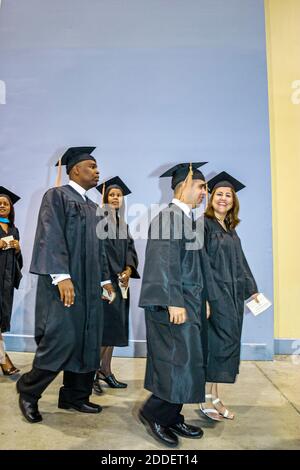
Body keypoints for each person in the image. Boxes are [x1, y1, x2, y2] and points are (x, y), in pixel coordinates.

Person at [16, 147, 115, 423]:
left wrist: (105, 280)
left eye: (97, 167)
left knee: (88, 339)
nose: (97, 171)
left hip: (90, 286)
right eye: (92, 166)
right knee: (61, 340)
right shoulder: (57, 196)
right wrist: (61, 276)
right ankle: (28, 391)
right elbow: (50, 235)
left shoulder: (94, 207)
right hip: (65, 284)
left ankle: (75, 396)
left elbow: (100, 248)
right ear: (74, 170)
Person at [138, 162, 217, 448]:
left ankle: (172, 415)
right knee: (173, 363)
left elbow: (193, 267)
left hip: (189, 304)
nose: (204, 192)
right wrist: (173, 301)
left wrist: (203, 299)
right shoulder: (168, 217)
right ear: (183, 185)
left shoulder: (187, 220)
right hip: (172, 306)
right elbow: (163, 262)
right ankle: (154, 414)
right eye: (201, 186)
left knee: (187, 363)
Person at [200, 171, 259, 420]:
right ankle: (206, 400)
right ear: (211, 198)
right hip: (216, 296)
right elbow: (200, 265)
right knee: (215, 346)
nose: (223, 199)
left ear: (234, 202)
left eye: (228, 195)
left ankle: (214, 397)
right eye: (219, 194)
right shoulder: (203, 225)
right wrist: (206, 298)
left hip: (232, 296)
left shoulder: (229, 228)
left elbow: (240, 263)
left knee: (225, 346)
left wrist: (252, 290)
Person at [93, 177, 140, 394]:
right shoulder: (99, 223)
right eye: (111, 194)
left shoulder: (123, 225)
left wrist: (129, 270)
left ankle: (106, 370)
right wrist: (111, 276)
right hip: (105, 283)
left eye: (118, 195)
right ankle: (92, 372)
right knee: (104, 330)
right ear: (104, 198)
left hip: (121, 283)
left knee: (114, 329)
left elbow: (130, 251)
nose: (115, 198)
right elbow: (99, 254)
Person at [0, 187, 23, 376]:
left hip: (6, 283)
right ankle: (4, 360)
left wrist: (17, 249)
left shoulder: (14, 230)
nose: (2, 205)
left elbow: (18, 262)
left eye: (6, 203)